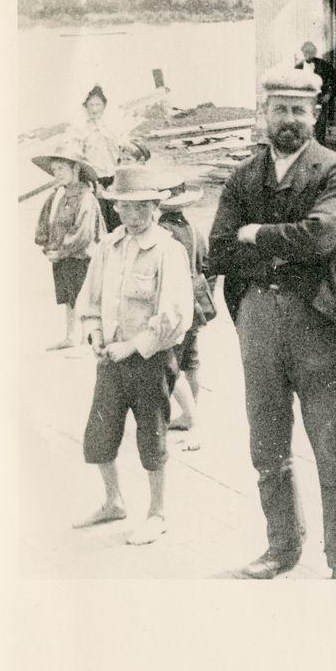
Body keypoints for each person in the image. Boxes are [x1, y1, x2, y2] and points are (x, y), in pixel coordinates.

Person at [209, 68, 336, 580]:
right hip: (257, 317)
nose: (289, 119)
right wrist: (274, 248)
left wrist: (255, 233)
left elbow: (320, 237)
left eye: (299, 110)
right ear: (264, 114)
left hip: (315, 320)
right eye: (280, 109)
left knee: (331, 448)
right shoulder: (244, 176)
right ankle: (282, 546)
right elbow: (220, 247)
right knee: (266, 444)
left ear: (315, 115)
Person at [73, 166, 194, 546]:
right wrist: (95, 333)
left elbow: (175, 315)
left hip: (150, 361)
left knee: (151, 438)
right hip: (110, 360)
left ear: (157, 207)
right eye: (125, 207)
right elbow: (90, 298)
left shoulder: (169, 250)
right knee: (99, 435)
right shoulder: (109, 246)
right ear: (116, 208)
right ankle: (114, 501)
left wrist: (133, 346)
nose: (134, 214)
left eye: (142, 206)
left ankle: (157, 513)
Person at [32, 140, 104, 349]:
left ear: (76, 168)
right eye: (55, 170)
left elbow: (84, 233)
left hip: (81, 257)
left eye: (62, 169)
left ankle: (85, 339)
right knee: (69, 297)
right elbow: (45, 222)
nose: (58, 174)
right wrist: (48, 247)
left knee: (83, 296)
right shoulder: (57, 196)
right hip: (61, 256)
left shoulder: (86, 198)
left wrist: (62, 251)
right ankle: (70, 336)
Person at [156, 175, 211, 450]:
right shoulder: (194, 229)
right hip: (195, 306)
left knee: (170, 365)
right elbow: (207, 266)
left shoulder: (162, 232)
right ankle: (192, 412)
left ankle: (189, 416)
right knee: (191, 363)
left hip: (176, 304)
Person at [67, 85, 123, 232]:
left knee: (118, 214)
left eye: (98, 104)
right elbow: (78, 157)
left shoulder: (111, 127)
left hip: (114, 176)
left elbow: (120, 153)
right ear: (86, 107)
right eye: (91, 105)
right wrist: (92, 181)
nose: (94, 108)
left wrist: (118, 176)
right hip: (94, 179)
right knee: (100, 217)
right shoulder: (81, 130)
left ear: (104, 106)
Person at [296, 41, 336, 146]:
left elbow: (334, 81)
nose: (307, 55)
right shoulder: (297, 67)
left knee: (320, 126)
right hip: (304, 100)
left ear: (314, 52)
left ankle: (319, 147)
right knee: (304, 125)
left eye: (310, 52)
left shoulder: (324, 65)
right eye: (305, 52)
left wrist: (329, 94)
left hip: (319, 99)